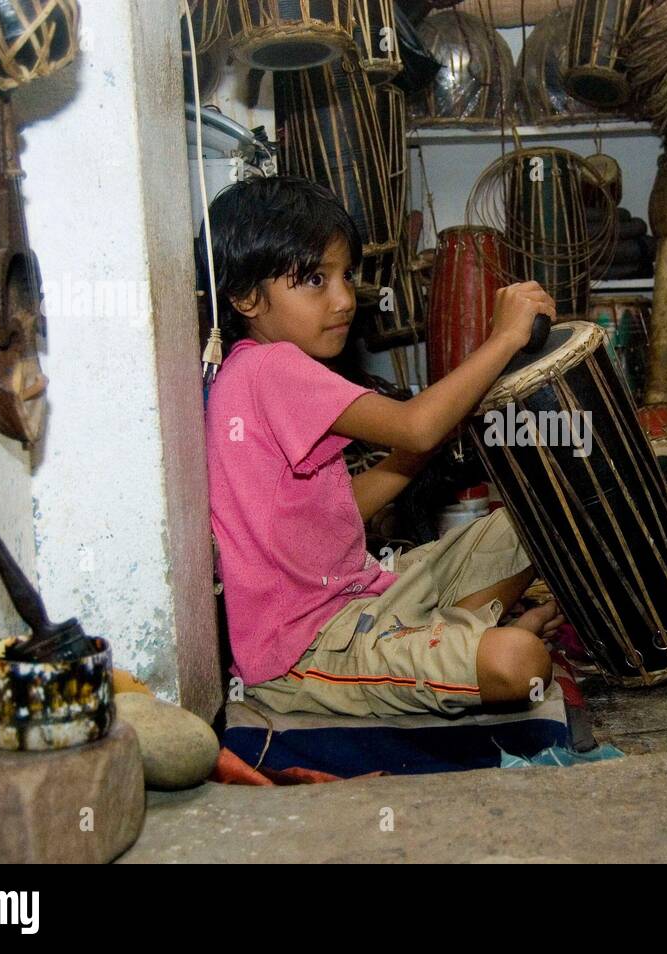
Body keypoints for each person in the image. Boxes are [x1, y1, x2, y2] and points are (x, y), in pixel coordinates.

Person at [203, 175, 563, 718]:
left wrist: (440, 433)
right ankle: (484, 638)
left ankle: (451, 639)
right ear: (246, 296)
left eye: (345, 275)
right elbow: (416, 426)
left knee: (534, 518)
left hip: (367, 595)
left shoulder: (251, 370)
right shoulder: (272, 367)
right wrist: (503, 339)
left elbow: (339, 510)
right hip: (307, 647)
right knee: (520, 662)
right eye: (315, 280)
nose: (344, 298)